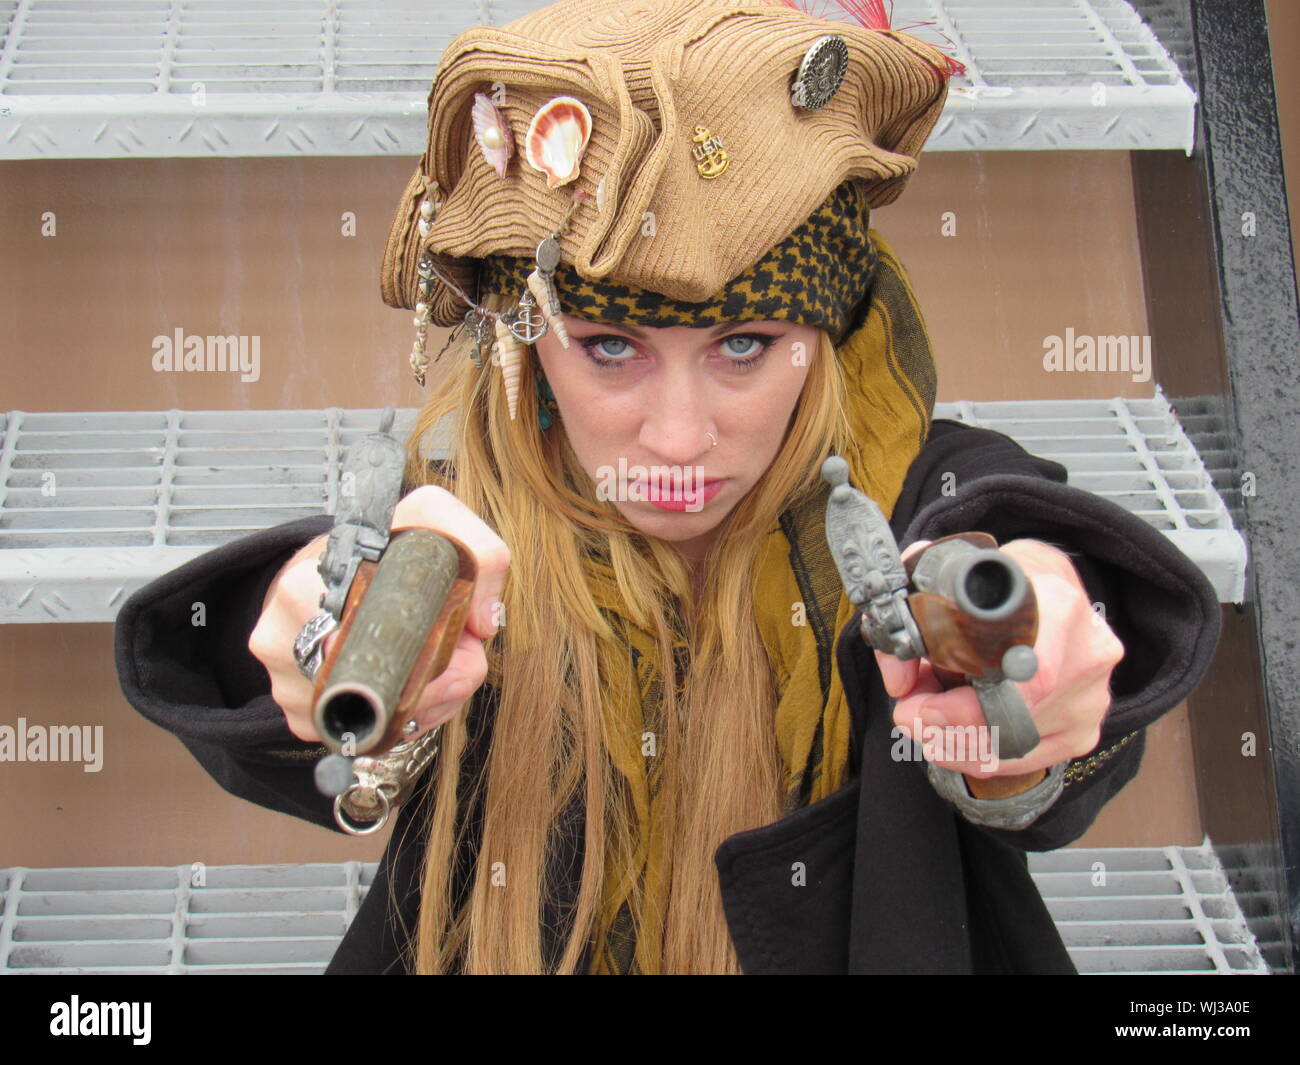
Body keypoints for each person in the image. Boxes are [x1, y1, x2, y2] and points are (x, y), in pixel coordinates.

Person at [113, 0, 1221, 975]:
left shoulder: (922, 491)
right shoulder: (452, 530)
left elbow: (1030, 563)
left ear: (827, 336)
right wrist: (309, 638)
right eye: (609, 347)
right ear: (525, 341)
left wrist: (1030, 650)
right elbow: (272, 650)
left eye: (746, 345)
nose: (680, 437)